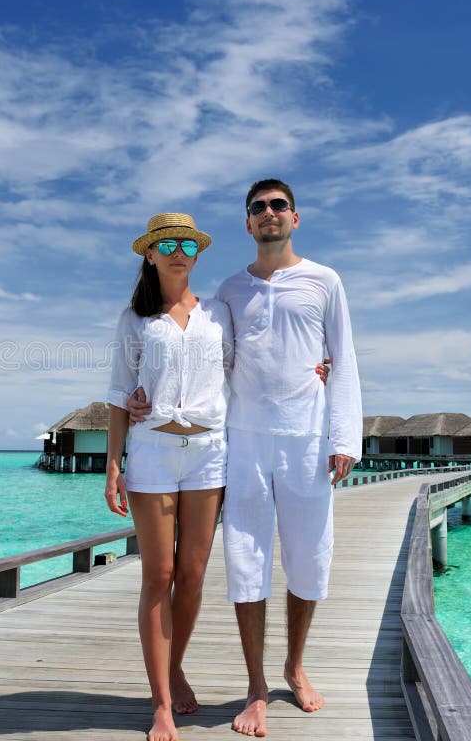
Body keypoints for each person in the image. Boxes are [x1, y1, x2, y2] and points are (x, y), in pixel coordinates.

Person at [128, 179, 362, 738]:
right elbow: (208, 360)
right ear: (248, 223)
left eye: (278, 206)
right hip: (244, 440)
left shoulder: (325, 281)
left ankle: (294, 665)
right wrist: (147, 395)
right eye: (258, 208)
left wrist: (344, 437)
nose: (269, 214)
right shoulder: (229, 291)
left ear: (295, 218)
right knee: (246, 561)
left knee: (309, 559)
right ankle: (257, 688)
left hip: (307, 439)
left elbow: (344, 357)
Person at [105, 212, 233, 741]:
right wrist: (113, 464)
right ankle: (160, 703)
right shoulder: (135, 319)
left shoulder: (219, 313)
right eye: (167, 244)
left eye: (187, 243)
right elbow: (118, 394)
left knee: (194, 573)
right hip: (154, 451)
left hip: (208, 451)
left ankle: (174, 665)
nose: (179, 251)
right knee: (158, 574)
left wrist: (316, 369)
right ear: (150, 254)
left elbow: (247, 369)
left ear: (196, 253)